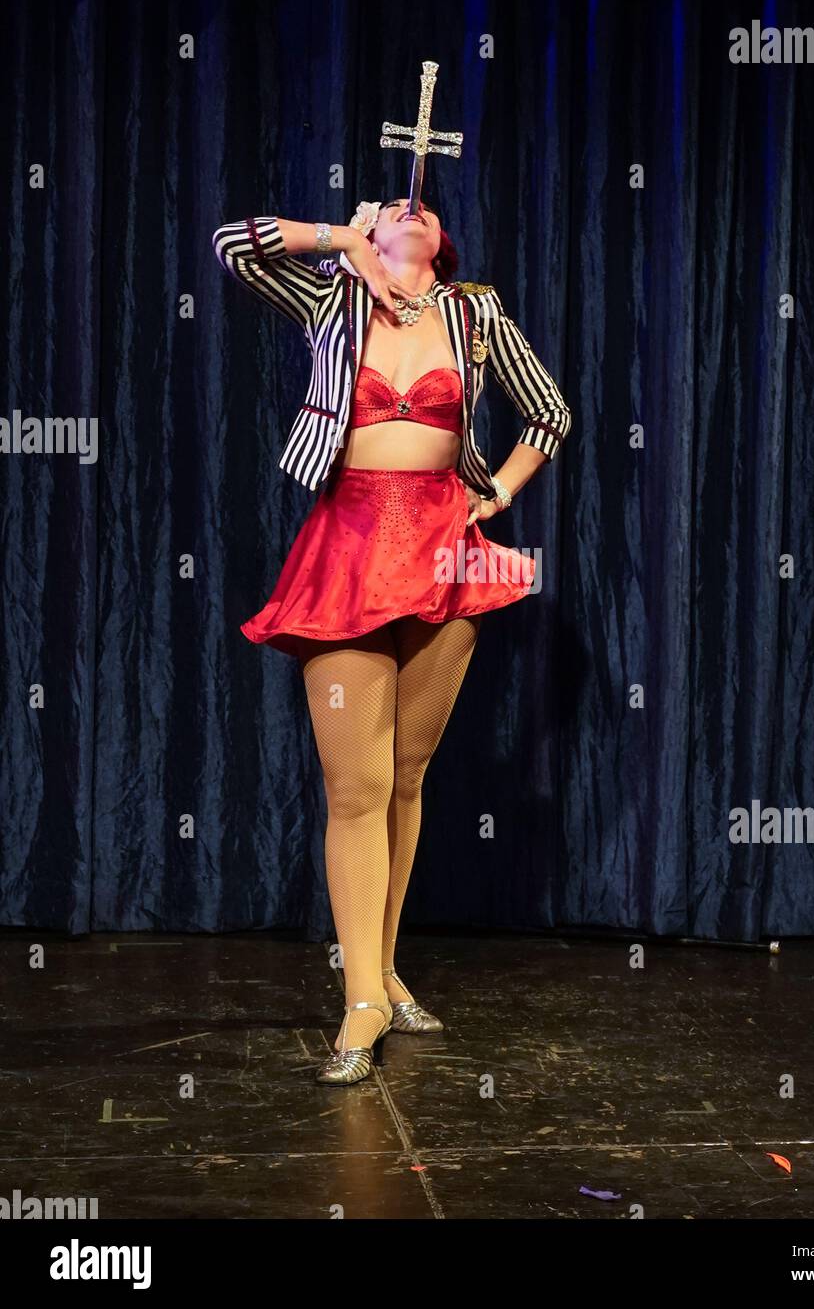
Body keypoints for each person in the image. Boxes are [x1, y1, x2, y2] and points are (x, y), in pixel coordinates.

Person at [212, 197, 572, 1084]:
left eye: (423, 207)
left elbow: (550, 414)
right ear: (374, 231)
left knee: (407, 773)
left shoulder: (473, 310)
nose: (407, 207)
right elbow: (232, 246)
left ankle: (383, 967)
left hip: (447, 549)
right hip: (348, 548)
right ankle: (361, 1000)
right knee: (357, 784)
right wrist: (344, 239)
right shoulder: (331, 298)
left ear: (441, 241)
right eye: (390, 206)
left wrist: (501, 494)